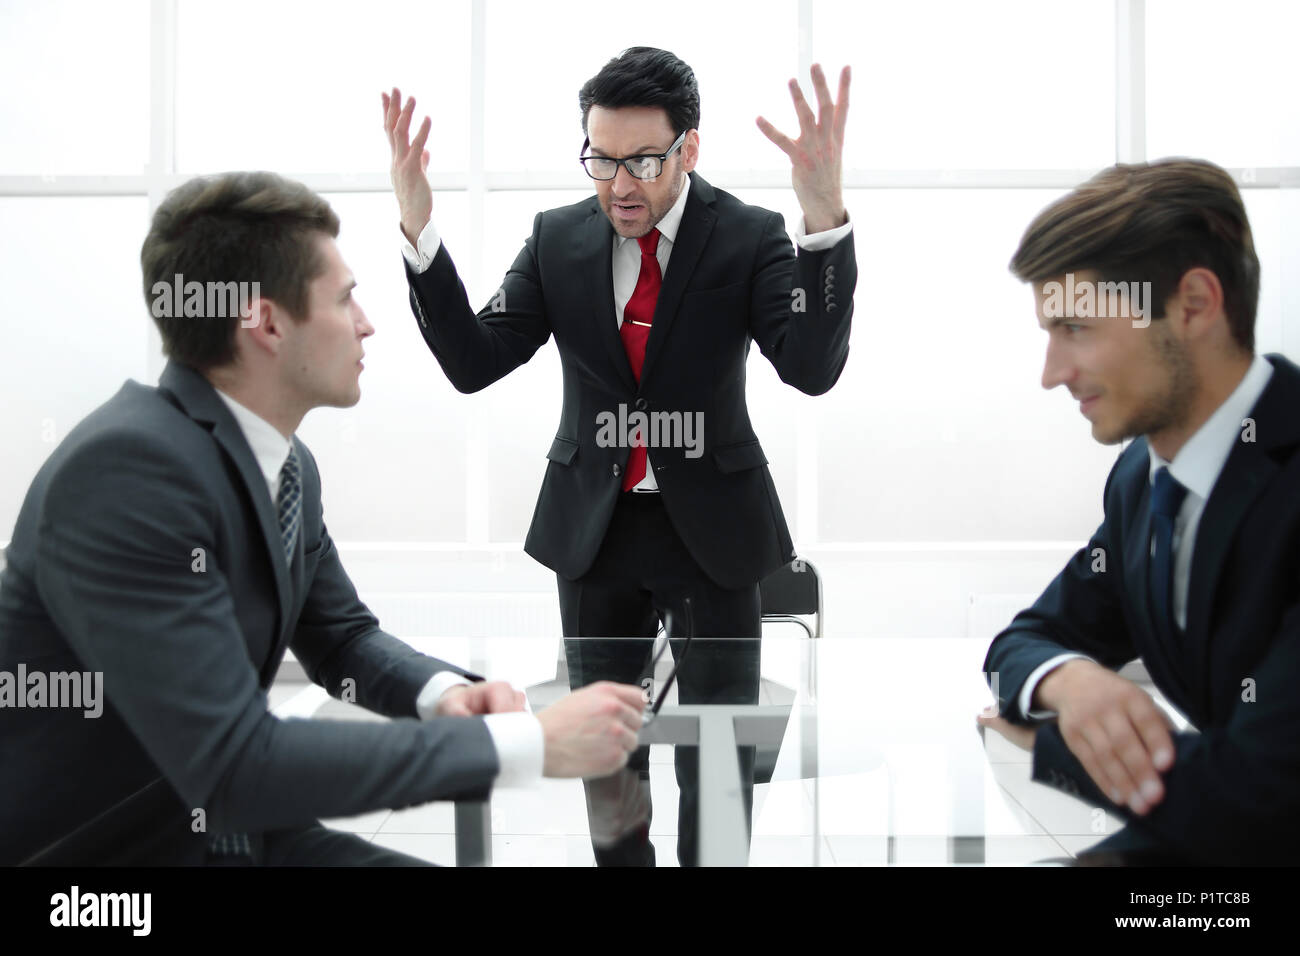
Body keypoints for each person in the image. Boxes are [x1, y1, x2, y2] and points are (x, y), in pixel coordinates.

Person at [0, 170, 646, 867]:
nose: (366, 323)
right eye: (344, 299)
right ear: (268, 322)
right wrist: (529, 744)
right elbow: (235, 766)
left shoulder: (285, 464)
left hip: (229, 834)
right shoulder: (128, 472)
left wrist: (443, 696)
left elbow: (340, 638)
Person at [383, 46, 854, 865]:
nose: (619, 184)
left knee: (718, 751)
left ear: (689, 150)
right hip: (594, 531)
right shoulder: (559, 239)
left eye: (641, 160)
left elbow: (810, 368)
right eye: (601, 159)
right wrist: (420, 233)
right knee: (606, 753)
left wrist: (824, 223)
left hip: (712, 530)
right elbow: (473, 362)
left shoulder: (747, 237)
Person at [978, 158, 1300, 865]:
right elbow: (1025, 641)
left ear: (1193, 305)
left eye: (1077, 329)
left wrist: (1049, 742)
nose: (1051, 373)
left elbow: (1259, 794)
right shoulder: (1140, 478)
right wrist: (1070, 680)